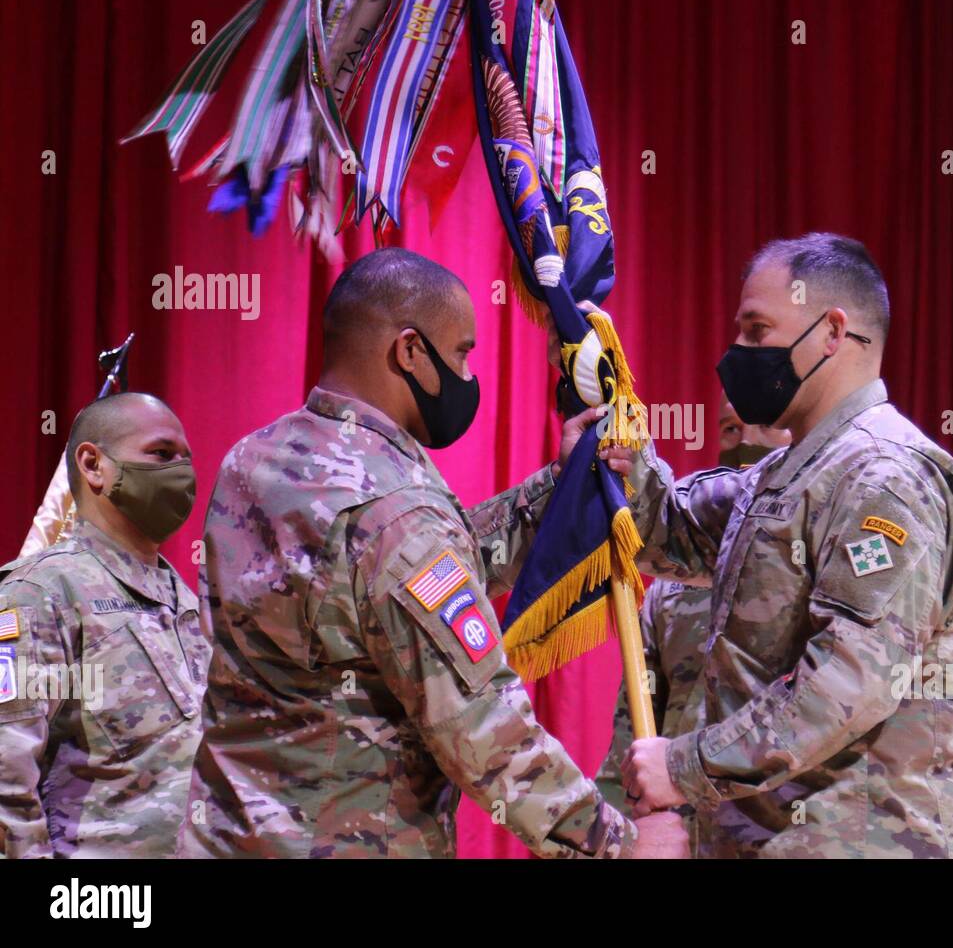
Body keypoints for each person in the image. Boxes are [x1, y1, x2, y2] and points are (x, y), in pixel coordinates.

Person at [179, 247, 685, 859]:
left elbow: (390, 581)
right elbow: (480, 727)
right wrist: (621, 845)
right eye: (463, 352)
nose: (468, 375)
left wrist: (558, 486)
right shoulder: (394, 507)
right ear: (411, 351)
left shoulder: (253, 459)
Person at [621, 232, 953, 858]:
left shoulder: (885, 477)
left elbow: (846, 681)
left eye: (757, 330)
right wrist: (618, 454)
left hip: (877, 839)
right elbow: (664, 534)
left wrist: (687, 764)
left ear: (832, 333)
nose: (737, 353)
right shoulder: (789, 472)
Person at [0, 392, 206, 857]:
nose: (182, 473)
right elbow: (5, 777)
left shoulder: (188, 603)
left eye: (186, 459)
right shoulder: (40, 593)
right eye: (161, 454)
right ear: (93, 464)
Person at [594, 399, 789, 854]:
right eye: (729, 430)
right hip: (690, 838)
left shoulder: (812, 564)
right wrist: (617, 841)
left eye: (761, 424)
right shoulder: (670, 589)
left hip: (791, 831)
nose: (743, 441)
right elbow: (633, 734)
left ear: (795, 436)